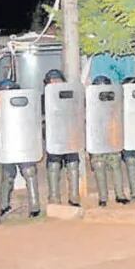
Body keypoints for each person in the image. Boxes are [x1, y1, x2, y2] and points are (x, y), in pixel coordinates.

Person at [0, 79, 41, 218]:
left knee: (29, 172)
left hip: (23, 142)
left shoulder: (25, 102)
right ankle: (3, 205)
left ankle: (35, 206)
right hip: (7, 144)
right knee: (8, 175)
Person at [89, 75, 130, 207]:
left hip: (111, 140)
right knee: (99, 168)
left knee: (116, 167)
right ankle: (103, 197)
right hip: (97, 141)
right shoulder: (90, 102)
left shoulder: (114, 101)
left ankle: (120, 195)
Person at [43, 69, 82, 207]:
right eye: (52, 81)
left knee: (73, 166)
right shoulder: (45, 99)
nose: (55, 83)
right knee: (53, 167)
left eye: (58, 80)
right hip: (54, 139)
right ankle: (54, 198)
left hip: (70, 137)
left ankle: (74, 197)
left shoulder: (71, 95)